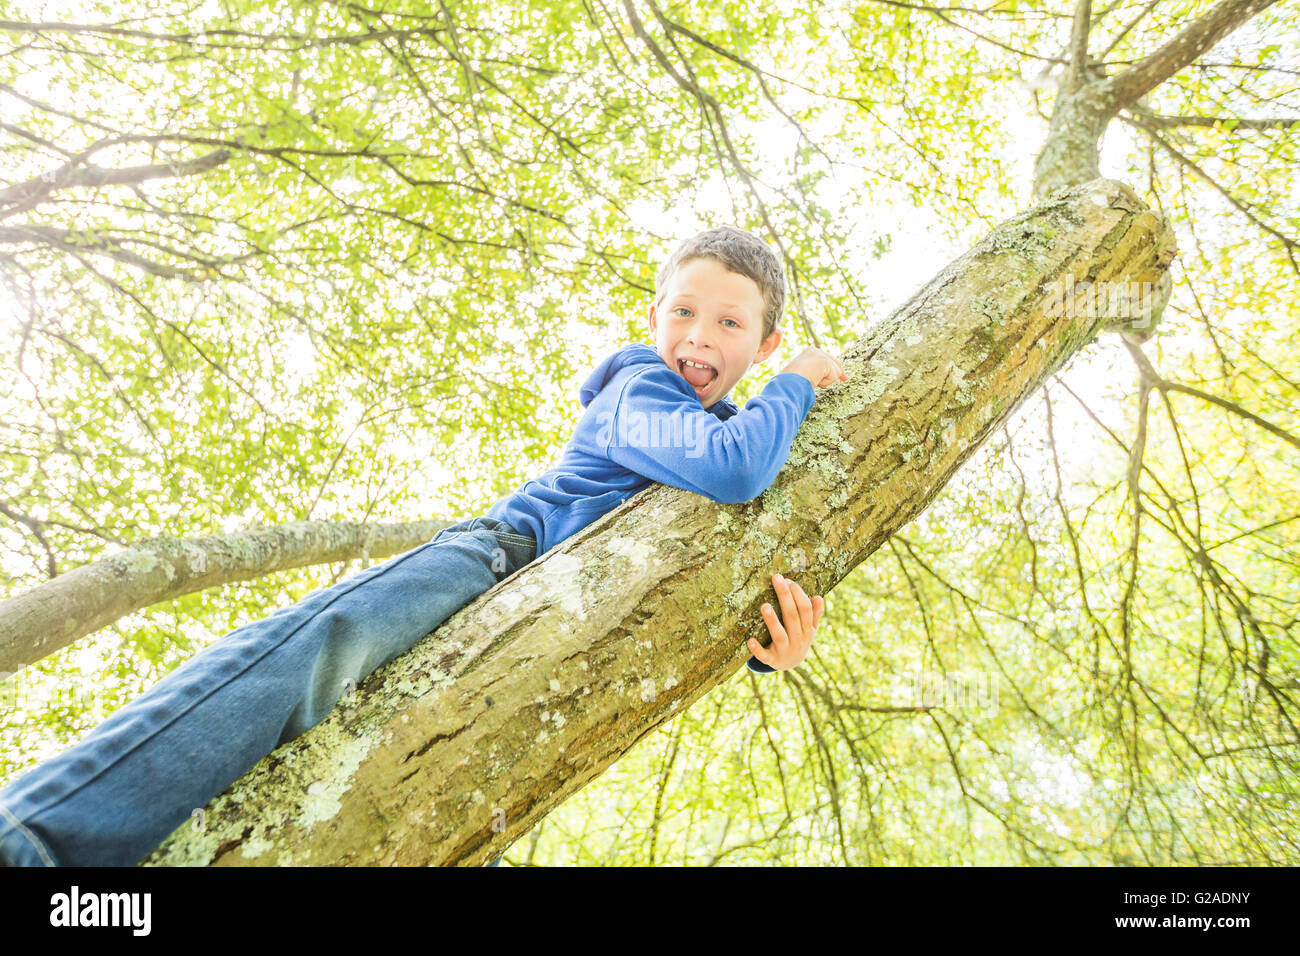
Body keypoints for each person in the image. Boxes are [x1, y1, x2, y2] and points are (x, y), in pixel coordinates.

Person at [0, 224, 847, 867]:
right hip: (496, 558)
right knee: (318, 651)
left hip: (547, 606)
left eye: (730, 323)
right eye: (683, 311)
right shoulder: (643, 386)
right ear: (653, 318)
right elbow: (733, 474)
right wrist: (799, 382)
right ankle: (42, 836)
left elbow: (693, 562)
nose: (699, 336)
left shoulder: (734, 423)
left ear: (761, 342)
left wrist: (765, 654)